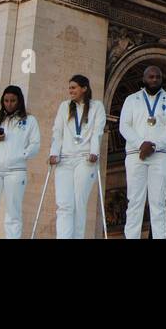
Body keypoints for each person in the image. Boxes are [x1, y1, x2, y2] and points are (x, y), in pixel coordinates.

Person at [118, 65, 166, 239]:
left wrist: (154, 145)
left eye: (157, 77)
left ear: (161, 79)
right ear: (144, 79)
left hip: (160, 155)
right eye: (150, 77)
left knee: (158, 202)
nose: (154, 80)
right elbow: (124, 125)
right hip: (135, 154)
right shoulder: (131, 99)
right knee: (134, 201)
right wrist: (141, 144)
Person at [0, 84, 39, 239]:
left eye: (12, 100)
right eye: (6, 100)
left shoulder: (29, 120)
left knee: (13, 214)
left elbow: (35, 144)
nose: (9, 104)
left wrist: (20, 155)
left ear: (19, 101)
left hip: (16, 171)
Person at [49, 74, 105, 239]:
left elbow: (98, 131)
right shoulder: (64, 106)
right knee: (64, 205)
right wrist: (53, 152)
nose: (70, 91)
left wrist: (94, 151)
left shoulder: (97, 107)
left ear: (84, 88)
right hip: (65, 159)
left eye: (73, 87)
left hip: (85, 159)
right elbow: (57, 131)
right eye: (69, 88)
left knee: (79, 204)